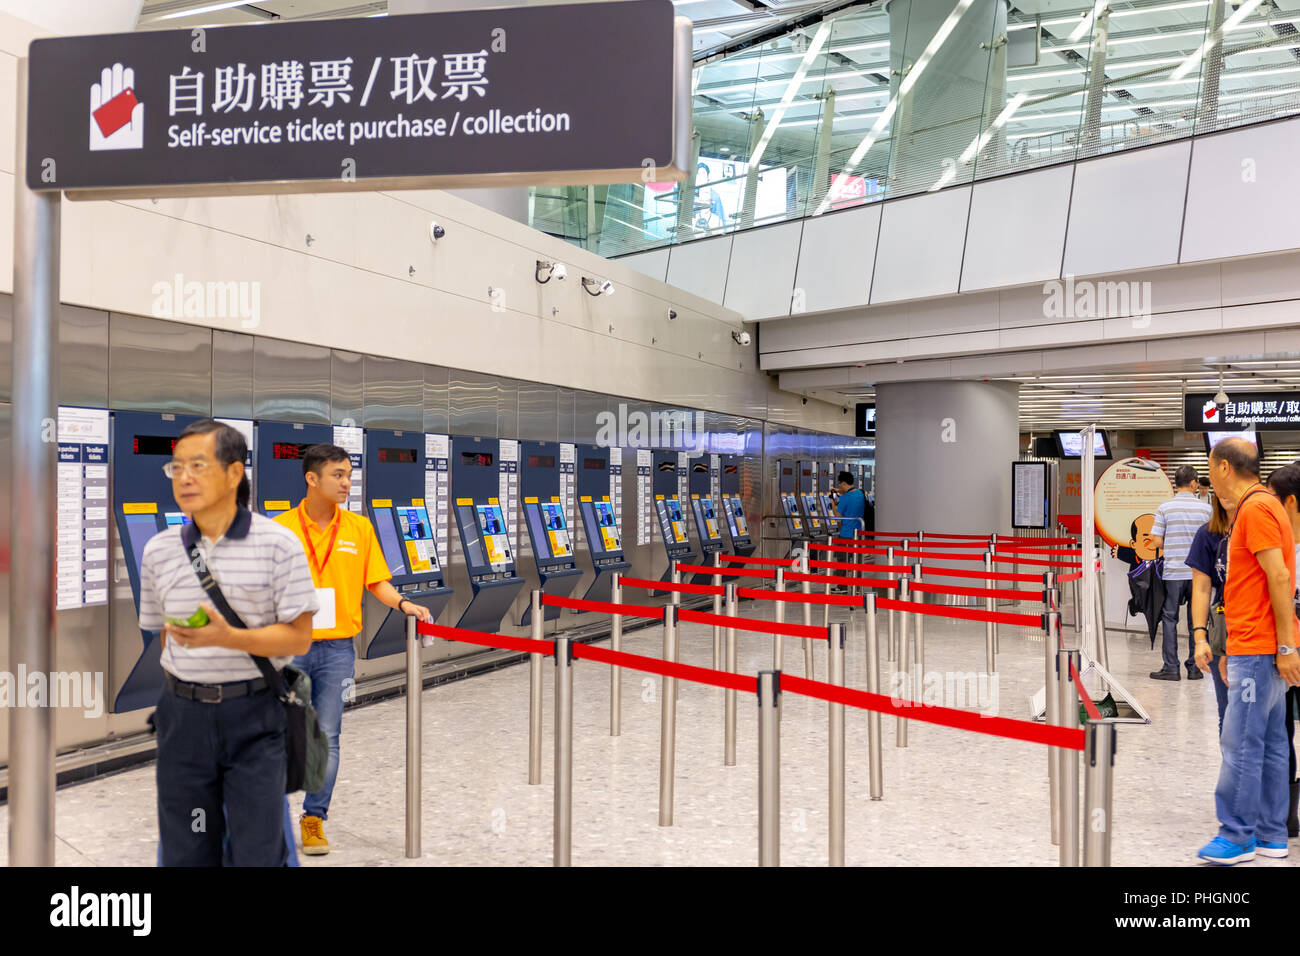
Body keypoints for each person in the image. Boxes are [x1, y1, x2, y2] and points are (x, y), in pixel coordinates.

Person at [139, 419, 317, 866]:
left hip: (254, 716)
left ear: (234, 472)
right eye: (176, 467)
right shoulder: (159, 550)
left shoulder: (279, 544)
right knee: (188, 846)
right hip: (183, 720)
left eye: (197, 465)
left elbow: (299, 636)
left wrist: (228, 638)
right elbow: (164, 638)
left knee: (256, 850)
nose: (184, 477)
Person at [274, 444, 434, 856]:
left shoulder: (359, 529)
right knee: (277, 733)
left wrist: (402, 603)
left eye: (348, 475)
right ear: (312, 479)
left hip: (338, 650)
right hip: (288, 645)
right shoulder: (279, 529)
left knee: (326, 735)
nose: (346, 483)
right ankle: (267, 817)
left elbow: (376, 580)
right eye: (337, 475)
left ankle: (314, 819)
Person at [1194, 437, 1300, 864]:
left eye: (1211, 467)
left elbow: (1278, 578)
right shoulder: (1267, 506)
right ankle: (1272, 834)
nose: (1210, 477)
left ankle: (1236, 834)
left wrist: (1286, 645)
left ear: (1224, 467)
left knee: (1240, 741)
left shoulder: (1254, 509)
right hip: (1261, 648)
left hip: (1258, 652)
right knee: (1273, 741)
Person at [1148, 466, 1212, 681]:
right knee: (1197, 619)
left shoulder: (1165, 507)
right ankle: (1194, 668)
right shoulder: (1206, 510)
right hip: (1199, 573)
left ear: (1176, 483)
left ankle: (1171, 667)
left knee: (1169, 618)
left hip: (1173, 571)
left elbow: (1156, 540)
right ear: (1194, 483)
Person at [1265, 463, 1300, 837]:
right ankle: (1286, 816)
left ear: (1289, 502)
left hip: (1290, 653)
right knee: (1280, 733)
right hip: (1280, 658)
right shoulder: (1273, 548)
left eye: (1273, 498)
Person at [1187, 494, 1231, 730]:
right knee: (1227, 711)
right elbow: (1202, 588)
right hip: (1222, 629)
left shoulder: (1262, 527)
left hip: (1259, 632)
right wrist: (1199, 637)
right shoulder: (1208, 534)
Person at [832, 470, 867, 590]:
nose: (839, 486)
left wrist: (832, 502)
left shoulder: (845, 498)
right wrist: (838, 491)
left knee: (842, 561)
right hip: (859, 533)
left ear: (843, 483)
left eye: (840, 484)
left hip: (846, 533)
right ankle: (857, 587)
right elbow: (848, 493)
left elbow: (837, 516)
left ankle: (842, 587)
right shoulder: (860, 493)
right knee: (856, 561)